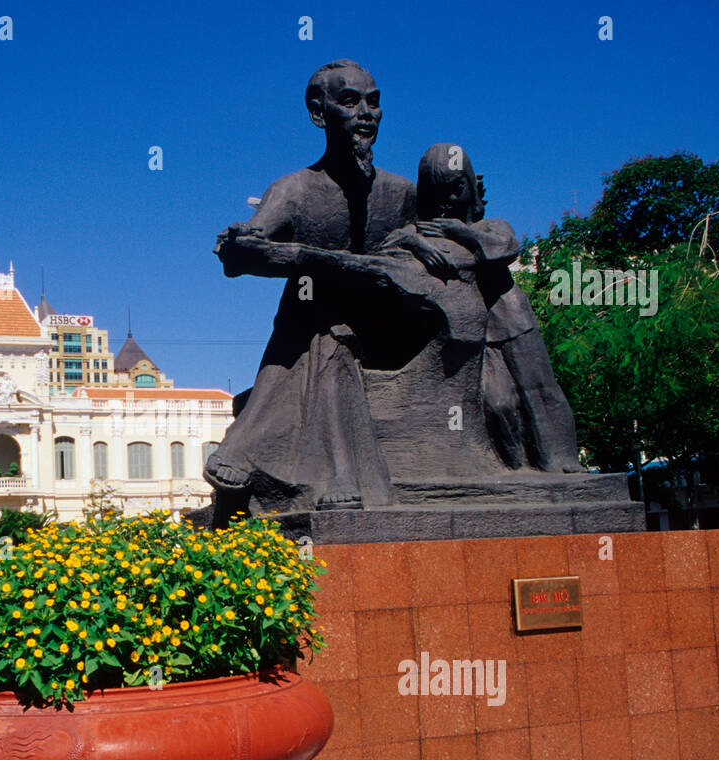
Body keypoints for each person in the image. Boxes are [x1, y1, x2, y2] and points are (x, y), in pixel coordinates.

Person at [206, 60, 449, 518]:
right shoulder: (294, 190)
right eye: (350, 101)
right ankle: (339, 472)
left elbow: (428, 267)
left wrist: (315, 261)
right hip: (326, 329)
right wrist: (329, 263)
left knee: (320, 305)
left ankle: (241, 448)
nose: (366, 113)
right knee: (322, 317)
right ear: (319, 114)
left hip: (396, 332)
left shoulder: (400, 194)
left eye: (373, 102)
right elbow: (242, 255)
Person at [412, 143, 582, 472]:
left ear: (471, 186)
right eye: (441, 191)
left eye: (457, 188)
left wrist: (461, 233)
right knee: (498, 401)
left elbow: (504, 249)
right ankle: (518, 470)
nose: (449, 200)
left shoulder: (492, 226)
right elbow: (396, 240)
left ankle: (562, 460)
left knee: (540, 389)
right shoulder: (430, 230)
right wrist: (416, 241)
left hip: (513, 319)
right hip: (475, 328)